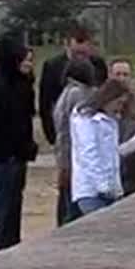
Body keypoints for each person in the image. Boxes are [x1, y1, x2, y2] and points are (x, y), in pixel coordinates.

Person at [0, 33, 38, 258]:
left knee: (12, 212)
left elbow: (25, 117)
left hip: (16, 157)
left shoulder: (19, 84)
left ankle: (10, 251)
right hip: (1, 159)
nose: (27, 63)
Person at [39, 25, 108, 146]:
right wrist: (51, 135)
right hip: (64, 127)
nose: (80, 56)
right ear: (67, 45)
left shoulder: (98, 64)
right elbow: (45, 102)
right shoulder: (52, 66)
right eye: (77, 52)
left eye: (84, 53)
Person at [70, 79, 130, 217]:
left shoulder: (111, 120)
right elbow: (88, 154)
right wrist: (102, 185)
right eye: (118, 103)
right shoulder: (86, 120)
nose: (120, 108)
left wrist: (115, 187)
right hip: (91, 191)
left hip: (111, 189)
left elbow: (112, 156)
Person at [50, 57, 98, 226]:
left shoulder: (66, 93)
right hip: (74, 158)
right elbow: (69, 132)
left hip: (67, 156)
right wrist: (66, 164)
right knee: (73, 207)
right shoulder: (78, 94)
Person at [109, 58, 135, 196]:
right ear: (109, 76)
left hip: (134, 175)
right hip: (107, 174)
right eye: (117, 74)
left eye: (125, 74)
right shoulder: (101, 104)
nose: (121, 78)